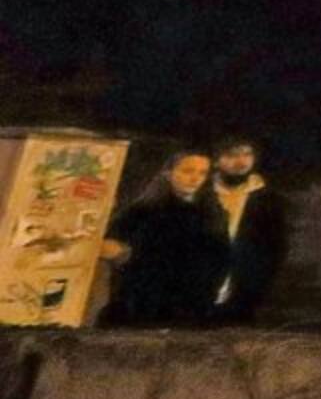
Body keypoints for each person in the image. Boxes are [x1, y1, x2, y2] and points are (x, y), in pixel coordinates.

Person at [99, 148, 232, 327]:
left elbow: (222, 257)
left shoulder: (214, 214)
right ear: (169, 173)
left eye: (202, 173)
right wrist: (123, 253)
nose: (195, 178)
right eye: (188, 171)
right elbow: (113, 245)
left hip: (192, 303)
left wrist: (209, 289)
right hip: (145, 300)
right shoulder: (143, 210)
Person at [211, 137, 290, 323]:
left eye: (247, 154)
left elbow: (276, 245)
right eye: (232, 155)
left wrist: (260, 280)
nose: (241, 161)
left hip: (244, 287)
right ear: (216, 160)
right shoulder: (203, 193)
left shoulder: (268, 198)